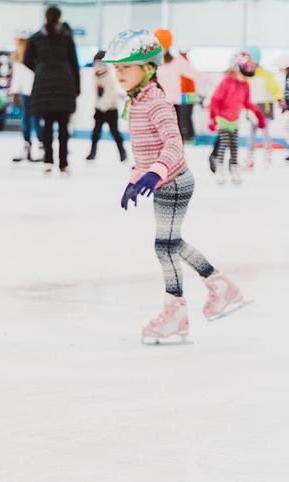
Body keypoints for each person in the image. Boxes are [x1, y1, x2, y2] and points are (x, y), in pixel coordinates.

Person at [104, 30, 247, 344]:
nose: (119, 73)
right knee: (172, 242)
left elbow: (173, 144)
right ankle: (219, 285)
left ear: (149, 69)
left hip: (175, 182)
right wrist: (133, 179)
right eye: (117, 68)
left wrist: (155, 173)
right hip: (165, 181)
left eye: (126, 67)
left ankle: (177, 311)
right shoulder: (135, 102)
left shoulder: (155, 102)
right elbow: (145, 148)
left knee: (164, 246)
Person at [24, 6, 79, 175]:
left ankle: (48, 161)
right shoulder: (67, 37)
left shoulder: (36, 37)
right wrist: (77, 88)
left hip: (44, 85)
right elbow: (74, 64)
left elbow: (27, 60)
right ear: (59, 18)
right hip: (64, 83)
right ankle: (63, 163)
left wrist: (40, 68)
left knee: (47, 125)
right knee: (63, 126)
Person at [208, 52, 265, 185]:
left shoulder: (244, 84)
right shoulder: (227, 82)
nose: (245, 78)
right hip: (222, 119)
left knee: (234, 146)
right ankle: (220, 168)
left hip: (235, 120)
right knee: (222, 144)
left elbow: (247, 102)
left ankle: (233, 168)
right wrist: (213, 118)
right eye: (244, 74)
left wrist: (258, 114)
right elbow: (215, 100)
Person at [152, 29, 200, 142]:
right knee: (183, 118)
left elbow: (189, 80)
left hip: (182, 96)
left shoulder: (179, 62)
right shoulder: (175, 62)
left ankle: (188, 137)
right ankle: (187, 136)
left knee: (183, 119)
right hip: (177, 97)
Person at [245, 46, 283, 167]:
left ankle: (268, 155)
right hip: (252, 107)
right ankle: (250, 156)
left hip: (264, 107)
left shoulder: (266, 74)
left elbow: (274, 88)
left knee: (265, 131)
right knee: (252, 131)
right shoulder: (247, 74)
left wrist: (280, 98)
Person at [86, 51, 126, 162]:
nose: (97, 67)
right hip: (99, 109)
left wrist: (101, 106)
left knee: (115, 132)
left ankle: (122, 153)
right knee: (95, 133)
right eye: (96, 64)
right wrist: (97, 107)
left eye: (100, 64)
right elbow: (96, 95)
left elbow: (111, 95)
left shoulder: (110, 77)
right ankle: (92, 153)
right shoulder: (95, 77)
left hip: (110, 110)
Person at [9, 36, 39, 163]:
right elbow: (17, 78)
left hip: (36, 93)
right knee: (26, 121)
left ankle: (42, 147)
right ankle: (26, 147)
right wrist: (15, 93)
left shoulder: (33, 57)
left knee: (37, 121)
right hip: (25, 94)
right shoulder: (16, 59)